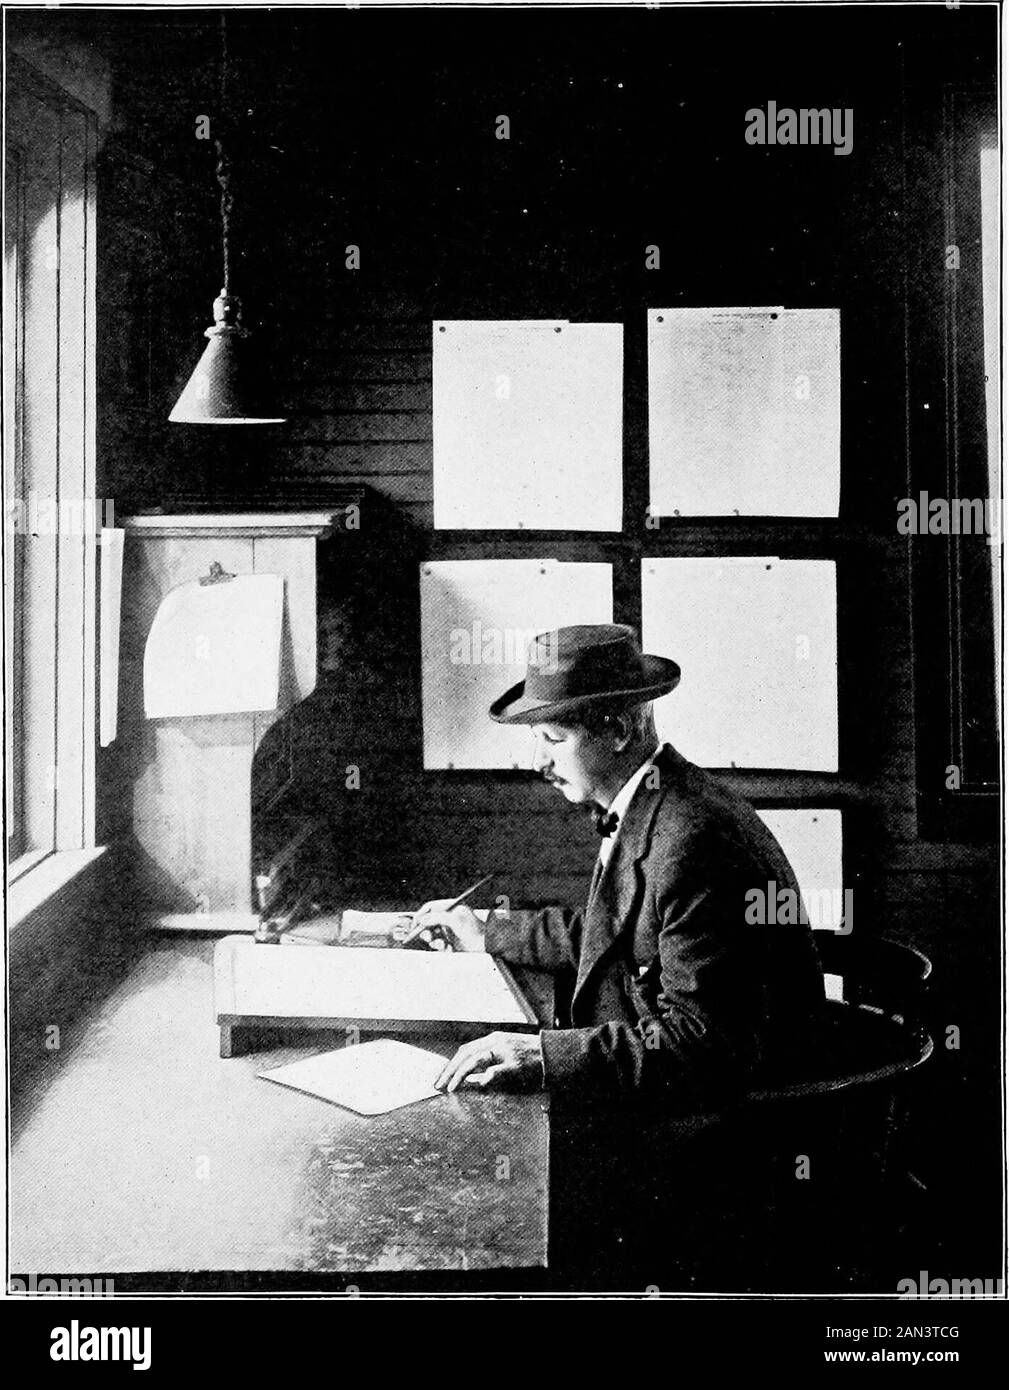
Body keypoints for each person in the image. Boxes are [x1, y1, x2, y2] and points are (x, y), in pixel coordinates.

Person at [410, 623, 826, 1106]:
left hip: (733, 1121)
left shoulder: (694, 842)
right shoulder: (659, 800)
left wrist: (542, 1055)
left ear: (617, 731)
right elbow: (614, 931)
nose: (538, 762)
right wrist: (486, 931)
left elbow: (705, 1043)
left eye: (553, 739)